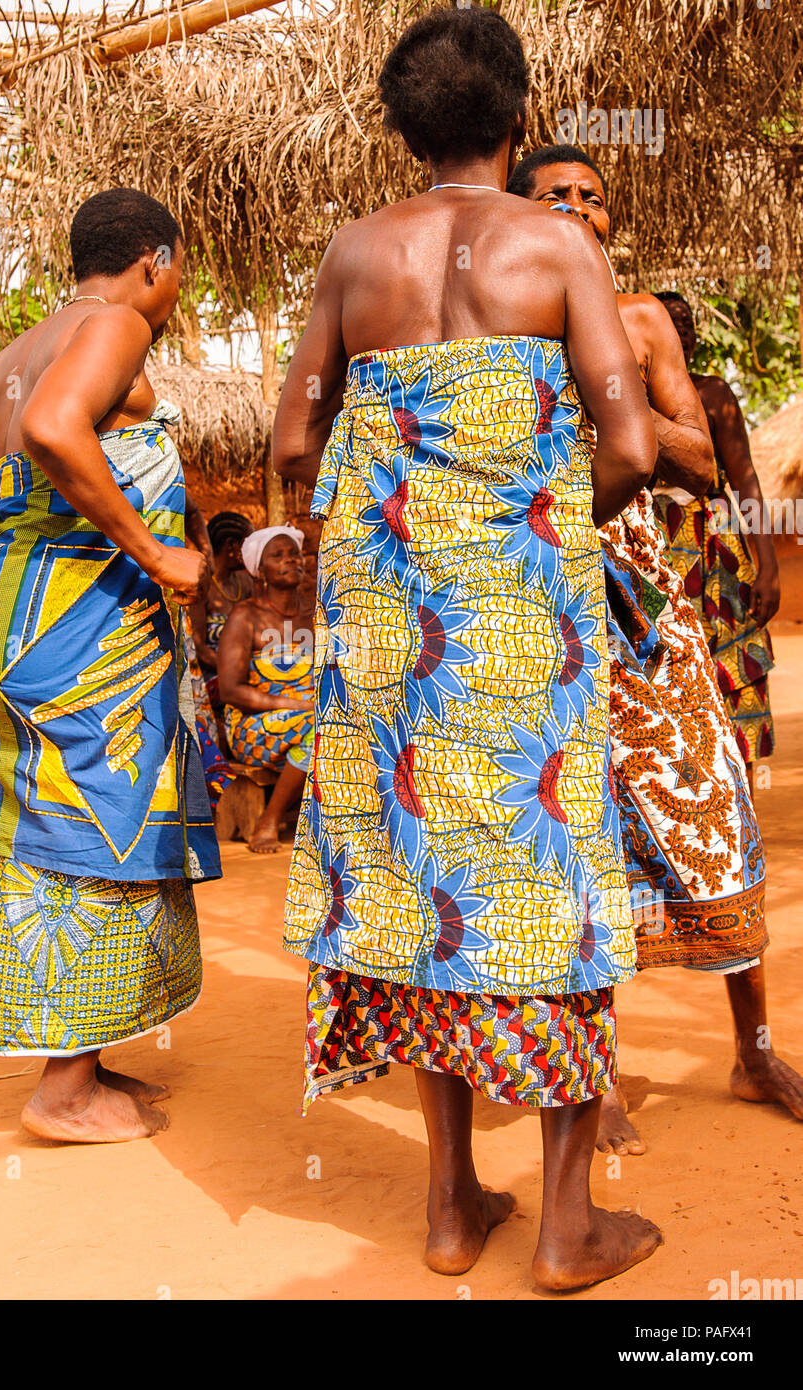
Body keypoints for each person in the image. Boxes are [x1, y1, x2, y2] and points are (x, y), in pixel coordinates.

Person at [274, 8, 661, 1291]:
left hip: (387, 637)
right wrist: (538, 538)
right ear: (514, 119)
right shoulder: (555, 246)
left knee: (417, 875)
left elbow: (292, 448)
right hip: (521, 630)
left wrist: (384, 555)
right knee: (554, 883)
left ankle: (448, 1207)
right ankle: (566, 1228)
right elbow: (634, 445)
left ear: (401, 127)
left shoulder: (352, 253)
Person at [0, 188, 220, 1143]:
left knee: (51, 813)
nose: (176, 289)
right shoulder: (115, 323)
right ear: (154, 260)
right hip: (82, 639)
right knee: (98, 818)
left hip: (17, 625)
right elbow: (56, 431)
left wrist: (14, 542)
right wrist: (152, 555)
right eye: (180, 270)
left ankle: (91, 1054)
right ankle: (63, 1089)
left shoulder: (24, 347)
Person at [508, 144, 803, 1151]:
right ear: (514, 216)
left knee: (715, 797)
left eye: (594, 196)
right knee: (573, 822)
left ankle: (754, 1047)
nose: (580, 209)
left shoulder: (636, 321)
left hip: (640, 588)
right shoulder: (492, 320)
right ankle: (601, 1083)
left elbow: (700, 456)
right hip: (532, 598)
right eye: (555, 195)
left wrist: (609, 409)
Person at [653, 291, 777, 785]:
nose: (680, 330)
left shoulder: (714, 394)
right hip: (660, 542)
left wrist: (767, 566)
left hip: (719, 546)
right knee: (672, 675)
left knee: (736, 668)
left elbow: (745, 481)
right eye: (669, 322)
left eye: (686, 321)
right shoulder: (627, 395)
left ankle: (745, 808)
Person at [217, 525, 315, 854]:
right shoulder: (246, 616)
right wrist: (294, 704)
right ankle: (269, 820)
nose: (290, 560)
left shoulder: (315, 613)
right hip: (253, 722)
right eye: (277, 555)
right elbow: (230, 691)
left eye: (294, 554)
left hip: (307, 713)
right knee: (317, 729)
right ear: (260, 570)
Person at [189, 511, 254, 683]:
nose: (253, 550)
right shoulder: (201, 584)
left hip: (250, 672)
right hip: (214, 677)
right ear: (231, 545)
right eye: (250, 543)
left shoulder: (246, 582)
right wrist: (240, 673)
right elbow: (198, 647)